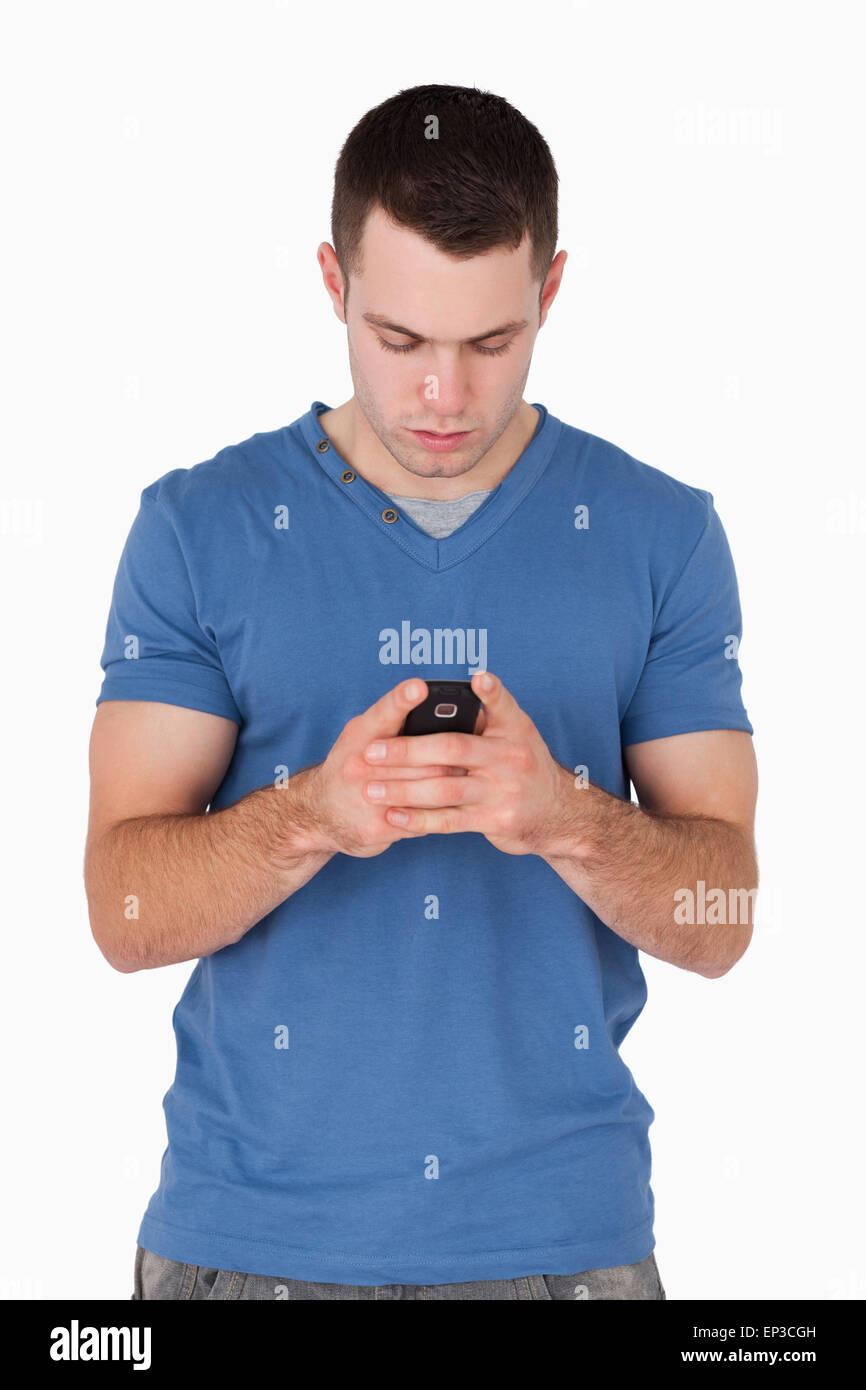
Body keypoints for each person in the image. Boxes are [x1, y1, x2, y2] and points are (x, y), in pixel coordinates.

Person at [85, 83, 758, 1302]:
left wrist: (562, 816)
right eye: (399, 341)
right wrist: (314, 816)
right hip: (248, 1250)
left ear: (548, 292)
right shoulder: (198, 529)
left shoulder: (660, 534)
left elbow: (721, 914)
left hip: (561, 1251)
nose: (442, 397)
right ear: (334, 288)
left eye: (488, 343)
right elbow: (122, 908)